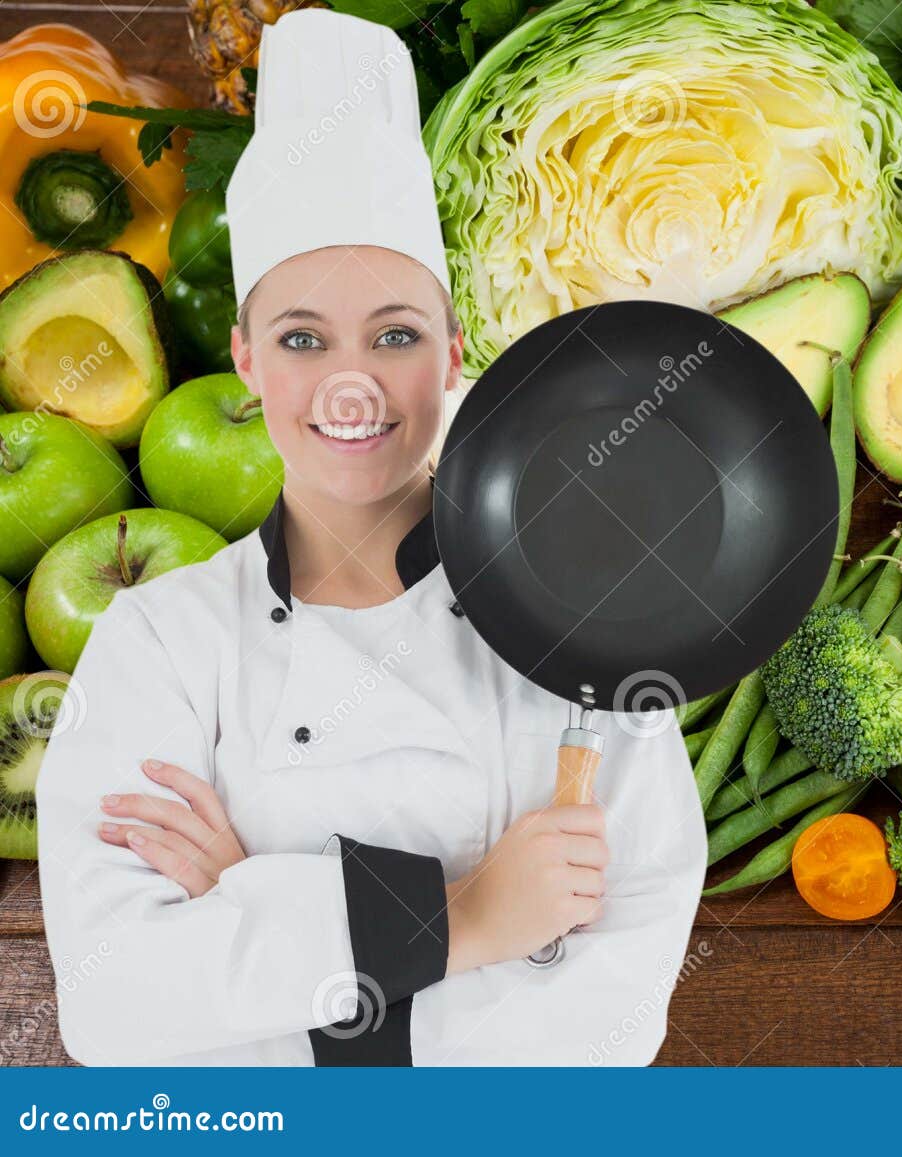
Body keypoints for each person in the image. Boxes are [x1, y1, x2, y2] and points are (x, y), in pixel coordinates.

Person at [34, 8, 706, 1066]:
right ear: (247, 361)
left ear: (452, 352)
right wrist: (470, 919)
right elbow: (119, 1012)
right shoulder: (157, 642)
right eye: (304, 337)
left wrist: (250, 897)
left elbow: (609, 1028)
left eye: (395, 333)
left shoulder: (582, 616)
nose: (352, 384)